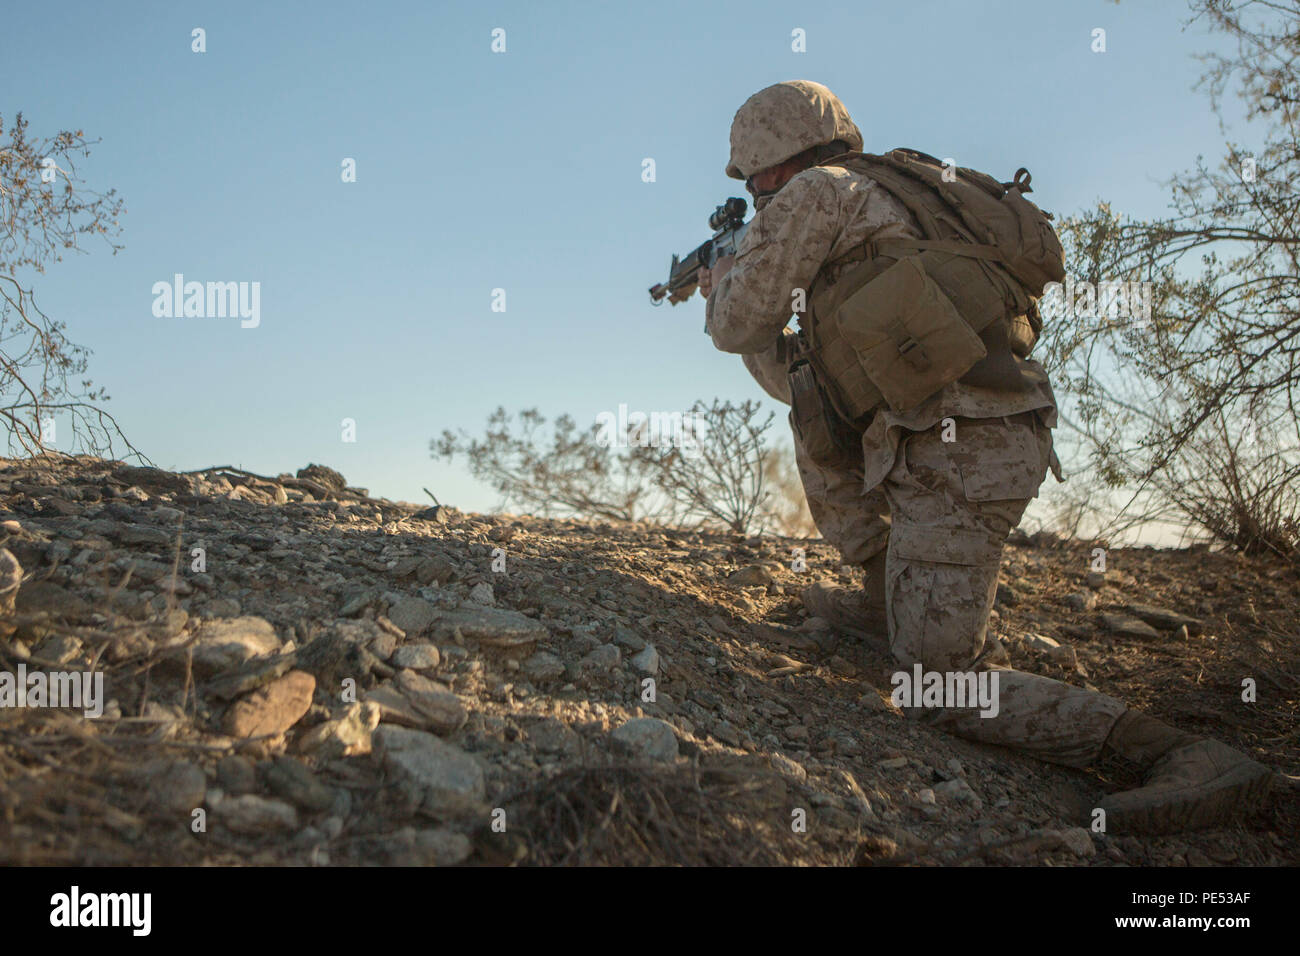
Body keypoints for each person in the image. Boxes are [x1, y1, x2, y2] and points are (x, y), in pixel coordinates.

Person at [697, 79, 1276, 834]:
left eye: (751, 179)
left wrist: (718, 286)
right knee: (810, 397)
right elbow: (811, 383)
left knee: (936, 687)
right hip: (962, 436)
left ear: (770, 163)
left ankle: (1178, 752)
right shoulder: (872, 196)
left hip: (963, 452)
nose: (755, 192)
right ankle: (883, 600)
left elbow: (738, 322)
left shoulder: (815, 195)